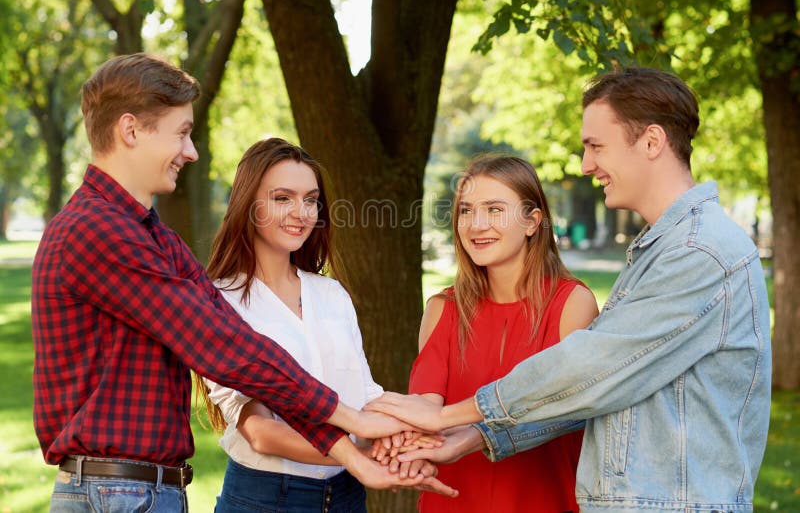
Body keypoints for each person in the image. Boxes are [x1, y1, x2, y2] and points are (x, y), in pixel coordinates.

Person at [31, 53, 454, 512]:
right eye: (181, 133)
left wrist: (356, 452)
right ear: (131, 130)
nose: (190, 152)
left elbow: (248, 354)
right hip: (116, 493)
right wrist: (354, 427)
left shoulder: (155, 238)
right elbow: (224, 347)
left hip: (139, 491)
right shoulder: (97, 231)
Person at [367, 67, 772, 513]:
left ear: (652, 142)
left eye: (597, 146)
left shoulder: (699, 253)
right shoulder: (663, 249)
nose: (585, 165)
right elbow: (595, 393)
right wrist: (473, 437)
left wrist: (448, 416)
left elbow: (591, 369)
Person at [194, 138, 439, 512]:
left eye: (310, 200)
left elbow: (364, 395)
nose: (301, 212)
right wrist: (360, 454)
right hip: (266, 498)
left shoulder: (331, 294)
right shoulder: (219, 302)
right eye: (282, 198)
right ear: (248, 204)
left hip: (347, 496)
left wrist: (408, 437)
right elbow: (260, 432)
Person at [396, 155, 598, 512]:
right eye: (466, 211)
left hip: (543, 500)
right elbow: (426, 410)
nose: (476, 225)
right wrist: (412, 446)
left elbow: (563, 411)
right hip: (454, 500)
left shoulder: (572, 304)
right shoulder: (443, 309)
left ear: (532, 221)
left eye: (494, 210)